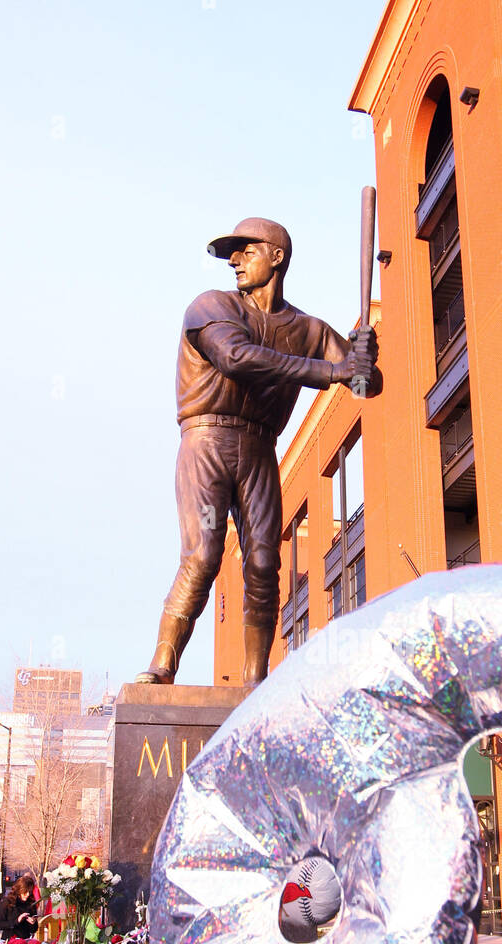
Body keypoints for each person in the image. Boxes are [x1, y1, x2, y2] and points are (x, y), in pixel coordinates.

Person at [136, 216, 381, 688]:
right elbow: (236, 357)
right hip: (207, 440)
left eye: (246, 251)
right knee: (204, 554)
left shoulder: (307, 329)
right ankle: (163, 664)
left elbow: (364, 383)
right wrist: (334, 371)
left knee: (265, 564)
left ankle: (256, 682)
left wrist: (365, 356)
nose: (234, 260)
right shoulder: (211, 306)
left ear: (277, 256)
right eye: (234, 253)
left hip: (260, 448)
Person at [0, 875, 40, 942]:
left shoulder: (31, 903)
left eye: (30, 892)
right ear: (19, 890)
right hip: (9, 941)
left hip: (25, 941)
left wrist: (33, 923)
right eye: (25, 891)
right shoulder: (6, 903)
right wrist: (17, 921)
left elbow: (34, 929)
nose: (27, 894)